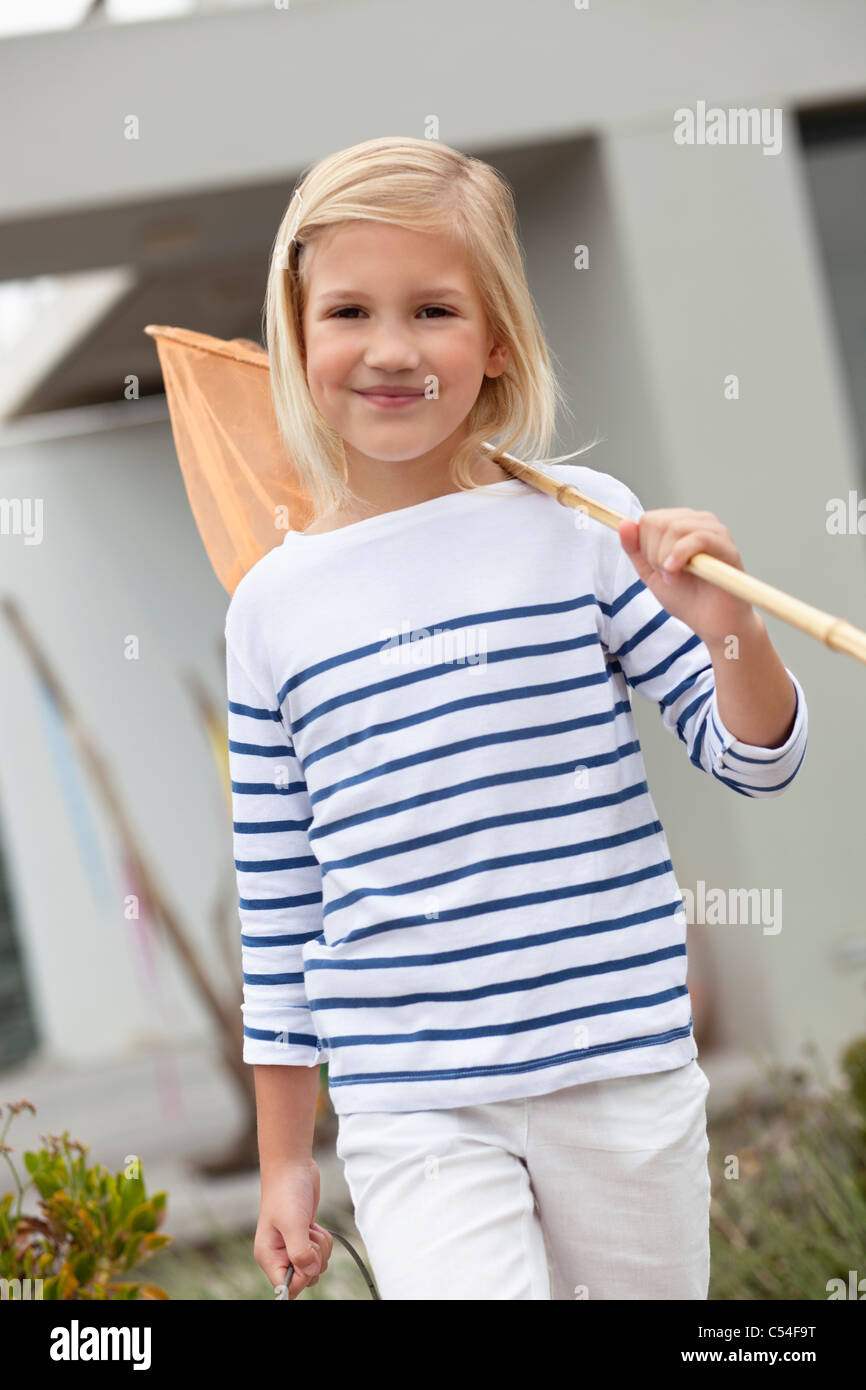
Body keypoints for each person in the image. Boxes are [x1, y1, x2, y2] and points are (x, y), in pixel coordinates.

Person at [224, 136, 808, 1300]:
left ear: (495, 342)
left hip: (618, 1070)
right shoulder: (268, 608)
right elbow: (280, 904)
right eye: (348, 309)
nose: (389, 349)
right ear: (297, 335)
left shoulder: (585, 527)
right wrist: (283, 1160)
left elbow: (755, 761)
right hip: (412, 1100)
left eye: (434, 308)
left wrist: (726, 624)